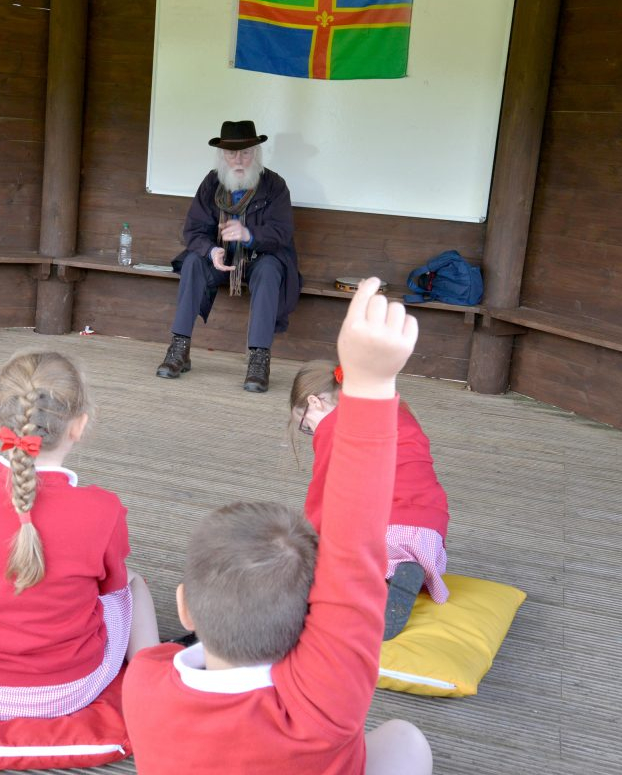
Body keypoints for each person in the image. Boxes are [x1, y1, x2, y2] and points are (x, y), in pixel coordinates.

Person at [125, 279, 434, 774]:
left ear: (184, 607)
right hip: (420, 533)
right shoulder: (325, 704)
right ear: (305, 622)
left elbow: (152, 659)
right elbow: (354, 550)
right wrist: (373, 387)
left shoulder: (142, 684)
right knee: (406, 740)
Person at [0, 350, 160, 719]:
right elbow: (111, 586)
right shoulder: (101, 509)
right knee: (134, 584)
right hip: (69, 687)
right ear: (78, 425)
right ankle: (151, 684)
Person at [291, 359, 452, 640]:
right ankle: (396, 575)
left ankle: (376, 590)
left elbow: (323, 496)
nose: (311, 433)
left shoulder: (334, 425)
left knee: (329, 570)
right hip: (429, 532)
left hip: (383, 530)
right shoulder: (394, 408)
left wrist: (310, 544)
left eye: (305, 426)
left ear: (315, 402)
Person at [156, 120, 302, 393]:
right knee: (192, 262)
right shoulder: (212, 183)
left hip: (259, 258)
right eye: (232, 153)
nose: (238, 159)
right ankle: (179, 348)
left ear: (256, 154)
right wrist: (212, 251)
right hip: (221, 261)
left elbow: (281, 233)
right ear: (221, 155)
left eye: (246, 152)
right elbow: (194, 230)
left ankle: (259, 359)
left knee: (271, 269)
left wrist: (248, 235)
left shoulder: (274, 185)